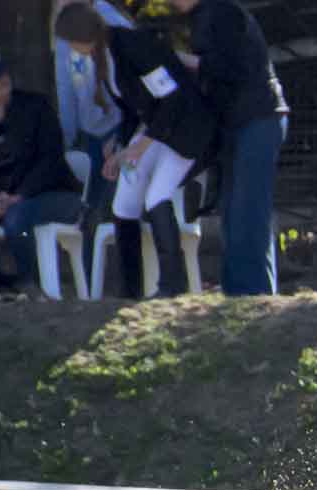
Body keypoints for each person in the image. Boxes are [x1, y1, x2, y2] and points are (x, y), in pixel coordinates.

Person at [55, 3, 217, 298]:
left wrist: (141, 144)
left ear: (81, 35)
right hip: (156, 129)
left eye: (70, 42)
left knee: (157, 195)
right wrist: (120, 146)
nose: (70, 50)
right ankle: (129, 291)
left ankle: (171, 285)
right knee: (124, 205)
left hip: (186, 129)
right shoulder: (103, 56)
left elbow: (172, 99)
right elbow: (132, 109)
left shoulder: (133, 45)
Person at [168, 0, 289, 296]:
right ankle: (240, 291)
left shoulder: (224, 13)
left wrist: (188, 63)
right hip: (237, 123)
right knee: (234, 210)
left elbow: (237, 66)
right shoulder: (203, 17)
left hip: (257, 118)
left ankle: (252, 292)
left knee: (248, 210)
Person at [0, 53, 83, 289]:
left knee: (16, 218)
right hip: (6, 198)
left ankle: (30, 283)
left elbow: (51, 160)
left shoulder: (37, 107)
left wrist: (20, 195)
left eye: (0, 71)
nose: (1, 78)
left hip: (54, 194)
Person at [53, 0, 132, 231]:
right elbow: (65, 87)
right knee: (90, 214)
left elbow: (129, 92)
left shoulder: (115, 26)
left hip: (120, 129)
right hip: (90, 133)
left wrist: (121, 139)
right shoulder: (65, 28)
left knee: (117, 210)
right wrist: (66, 141)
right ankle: (93, 266)